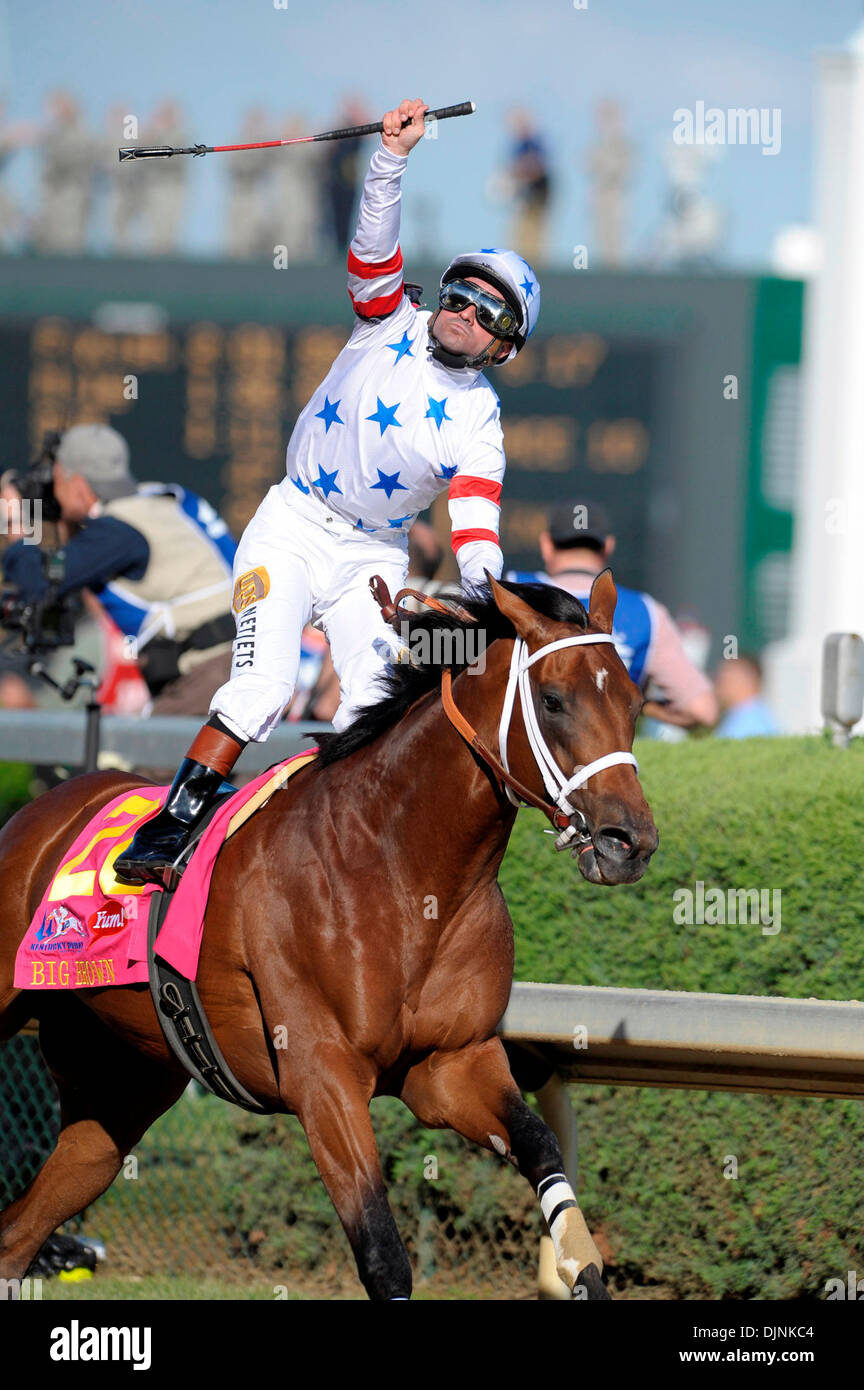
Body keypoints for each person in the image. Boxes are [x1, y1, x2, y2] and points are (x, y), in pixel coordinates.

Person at [115, 94, 541, 886]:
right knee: (265, 686)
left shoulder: (482, 427)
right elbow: (373, 241)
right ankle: (168, 828)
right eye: (459, 292)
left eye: (488, 310)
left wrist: (492, 606)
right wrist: (390, 158)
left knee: (373, 711)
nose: (463, 311)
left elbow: (475, 533)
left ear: (504, 346)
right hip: (292, 524)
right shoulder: (388, 318)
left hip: (371, 557)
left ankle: (358, 860)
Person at [1, 424, 238, 715]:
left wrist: (14, 520)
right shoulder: (158, 501)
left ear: (76, 483)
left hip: (210, 676)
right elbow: (85, 571)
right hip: (231, 667)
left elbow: (36, 579)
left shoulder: (119, 532)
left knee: (141, 758)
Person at [506, 499, 717, 729]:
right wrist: (636, 703)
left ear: (546, 545)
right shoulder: (645, 612)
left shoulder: (509, 593)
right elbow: (703, 710)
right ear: (608, 546)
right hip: (606, 751)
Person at [713, 654, 779, 738]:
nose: (719, 684)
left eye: (726, 677)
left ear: (749, 680)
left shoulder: (752, 724)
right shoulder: (738, 715)